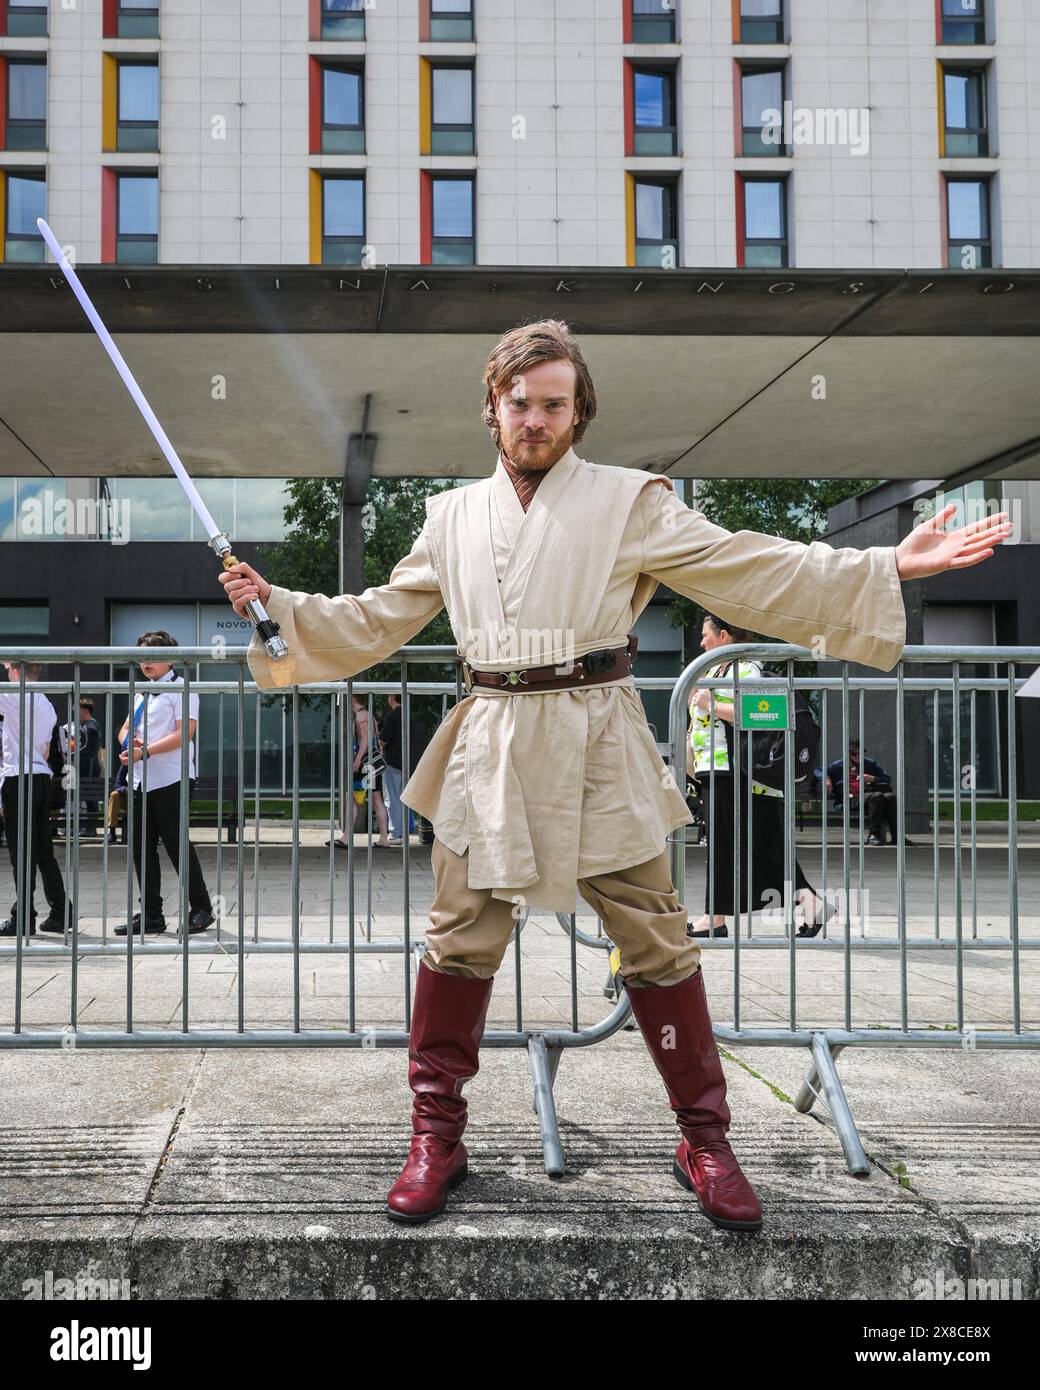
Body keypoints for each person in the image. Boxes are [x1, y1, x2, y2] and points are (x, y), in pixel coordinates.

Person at [219, 318, 1011, 1233]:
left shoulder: (633, 502)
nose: (535, 419)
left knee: (658, 941)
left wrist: (880, 565)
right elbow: (375, 618)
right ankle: (437, 1136)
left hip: (601, 740)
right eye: (520, 403)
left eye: (554, 404)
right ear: (492, 410)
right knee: (458, 939)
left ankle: (704, 1140)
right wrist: (275, 605)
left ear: (578, 412)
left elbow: (744, 565)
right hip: (491, 742)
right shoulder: (451, 517)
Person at [686, 614, 832, 939]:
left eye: (705, 634)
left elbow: (761, 713)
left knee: (734, 846)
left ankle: (715, 918)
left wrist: (710, 703)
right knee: (753, 845)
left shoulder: (746, 668)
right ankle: (809, 904)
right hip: (717, 769)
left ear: (724, 635)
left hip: (735, 771)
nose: (701, 641)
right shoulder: (715, 669)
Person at [114, 632, 215, 938]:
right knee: (141, 848)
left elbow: (185, 734)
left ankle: (201, 909)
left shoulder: (181, 689)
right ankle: (152, 915)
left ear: (171, 658)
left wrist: (145, 750)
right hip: (140, 781)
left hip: (172, 777)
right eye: (142, 656)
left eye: (154, 656)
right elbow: (124, 729)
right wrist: (130, 743)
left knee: (175, 843)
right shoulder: (141, 693)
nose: (146, 662)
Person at [0, 661, 72, 936]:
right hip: (40, 775)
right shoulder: (45, 703)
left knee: (21, 850)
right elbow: (44, 750)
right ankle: (60, 910)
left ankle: (24, 916)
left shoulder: (16, 694)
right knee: (42, 849)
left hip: (20, 776)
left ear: (16, 672)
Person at [327, 693, 393, 848]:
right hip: (372, 764)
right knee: (377, 799)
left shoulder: (361, 717)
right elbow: (375, 741)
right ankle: (384, 838)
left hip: (365, 763)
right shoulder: (369, 716)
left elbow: (365, 739)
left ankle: (346, 837)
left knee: (351, 796)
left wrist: (357, 761)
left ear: (353, 699)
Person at [826, 740, 902, 846]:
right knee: (877, 796)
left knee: (890, 797)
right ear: (848, 754)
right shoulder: (839, 765)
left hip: (871, 799)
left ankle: (897, 836)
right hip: (851, 799)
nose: (857, 756)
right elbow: (820, 770)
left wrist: (873, 778)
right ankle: (874, 835)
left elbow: (887, 779)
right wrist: (826, 778)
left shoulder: (871, 763)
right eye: (853, 754)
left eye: (860, 753)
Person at [379, 693, 430, 845]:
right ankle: (407, 828)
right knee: (405, 798)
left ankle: (396, 833)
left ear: (393, 697)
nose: (388, 698)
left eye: (389, 696)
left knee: (392, 799)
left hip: (393, 763)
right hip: (410, 763)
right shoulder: (411, 716)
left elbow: (382, 741)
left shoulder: (392, 716)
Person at [59, 696, 102, 836]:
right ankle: (89, 827)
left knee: (89, 795)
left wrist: (72, 753)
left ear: (84, 710)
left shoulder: (90, 727)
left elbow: (89, 747)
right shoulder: (86, 725)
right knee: (86, 795)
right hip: (84, 764)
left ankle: (91, 828)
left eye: (76, 710)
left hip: (88, 764)